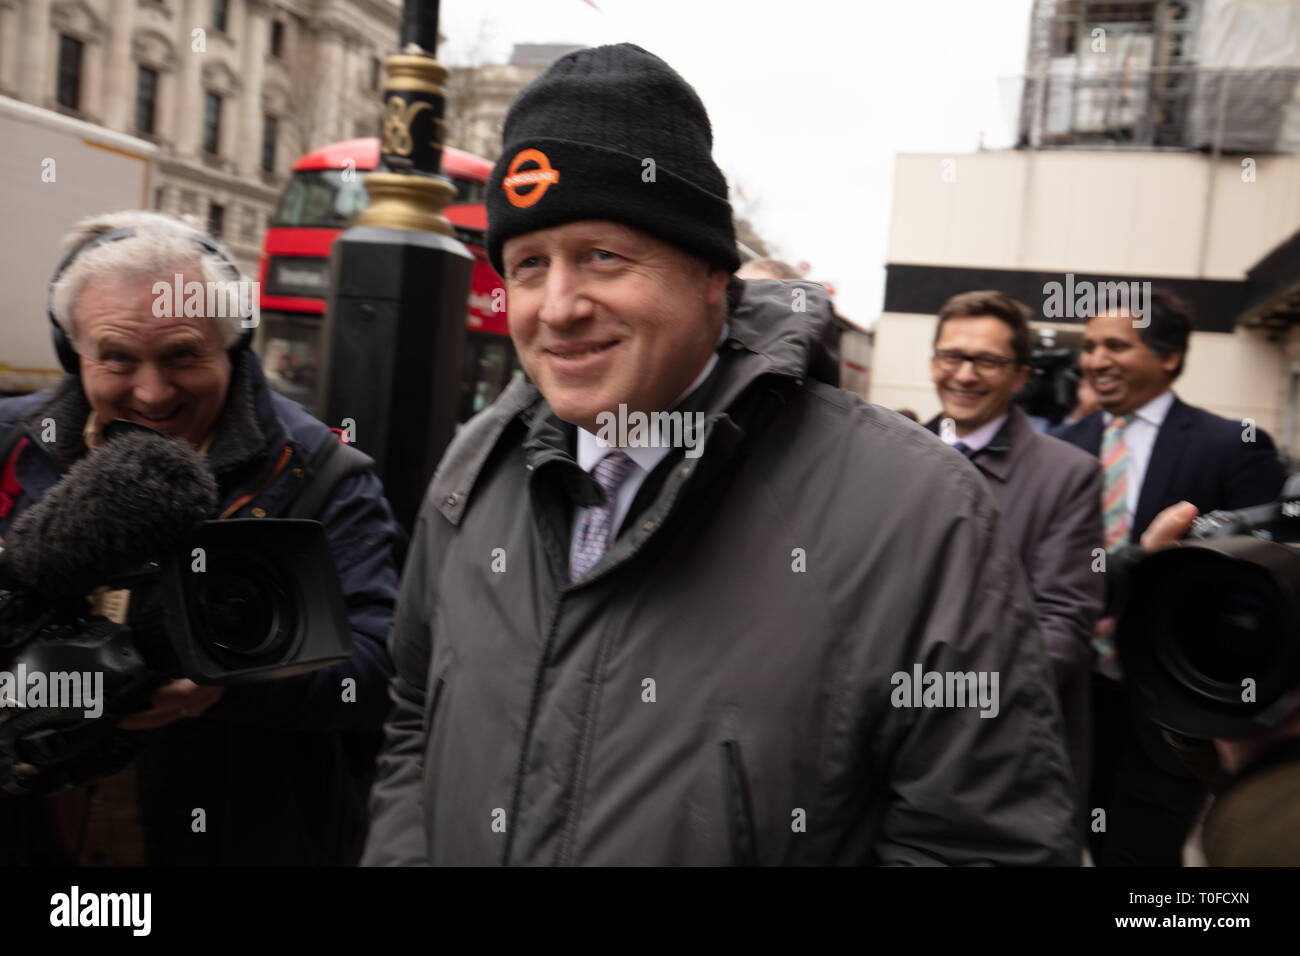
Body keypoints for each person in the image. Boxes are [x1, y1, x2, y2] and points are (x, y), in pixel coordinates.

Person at [363, 43, 1076, 866]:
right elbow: (414, 719)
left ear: (711, 276)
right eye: (529, 265)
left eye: (603, 255)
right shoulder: (471, 469)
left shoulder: (920, 512)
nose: (558, 307)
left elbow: (983, 846)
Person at [0, 211, 401, 865]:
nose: (153, 393)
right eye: (118, 358)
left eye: (183, 355)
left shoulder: (323, 475)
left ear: (234, 345)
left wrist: (228, 683)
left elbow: (381, 674)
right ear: (73, 352)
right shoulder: (9, 446)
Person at [1055, 289, 1286, 866]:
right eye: (1087, 348)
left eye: (1115, 345)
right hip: (1070, 705)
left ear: (1169, 357)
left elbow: (1271, 574)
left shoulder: (1234, 446)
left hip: (1170, 712)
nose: (1095, 360)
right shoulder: (1061, 448)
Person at [923, 291, 1103, 814]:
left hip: (1002, 762)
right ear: (934, 362)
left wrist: (949, 703)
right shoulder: (888, 454)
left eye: (987, 361)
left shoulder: (1068, 475)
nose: (965, 375)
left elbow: (1064, 628)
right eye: (952, 356)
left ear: (1020, 376)